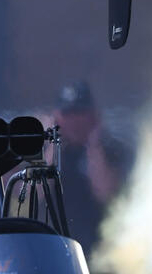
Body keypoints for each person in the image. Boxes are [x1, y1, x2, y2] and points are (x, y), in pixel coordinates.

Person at [53, 81, 128, 254]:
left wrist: (94, 145)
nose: (74, 121)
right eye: (67, 114)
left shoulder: (111, 150)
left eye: (79, 113)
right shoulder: (49, 154)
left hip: (98, 249)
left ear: (92, 116)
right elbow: (37, 195)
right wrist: (52, 142)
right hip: (57, 249)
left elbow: (106, 193)